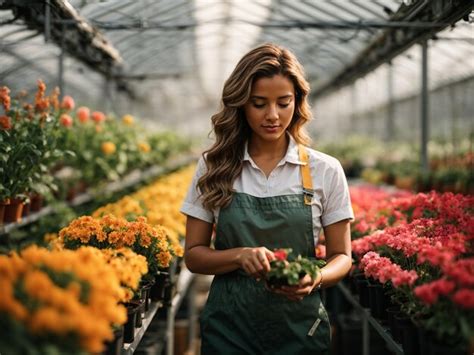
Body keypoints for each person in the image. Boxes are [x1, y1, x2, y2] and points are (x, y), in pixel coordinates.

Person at [180, 43, 354, 354]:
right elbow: (193, 255)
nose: (272, 115)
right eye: (259, 104)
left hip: (299, 331)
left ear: (297, 102)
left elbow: (342, 256)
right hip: (229, 330)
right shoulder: (215, 166)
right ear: (241, 105)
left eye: (283, 102)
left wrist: (315, 277)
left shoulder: (324, 170)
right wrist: (238, 256)